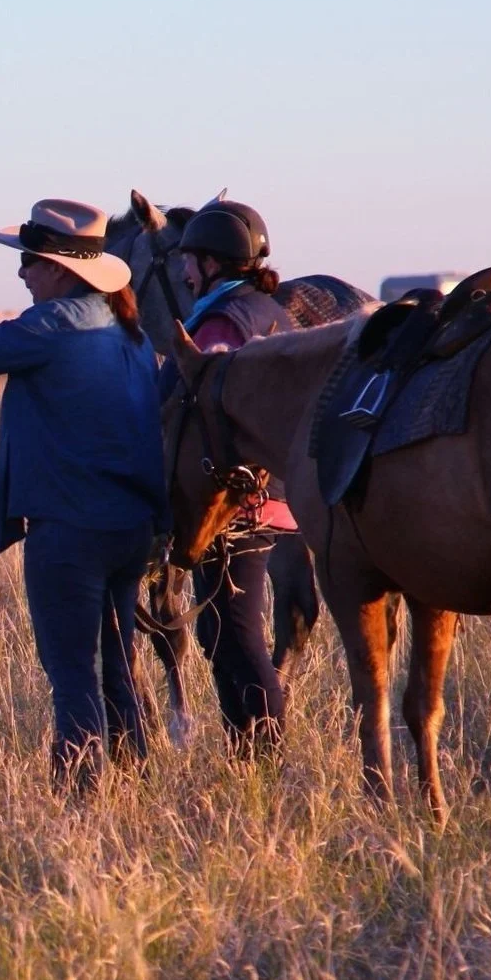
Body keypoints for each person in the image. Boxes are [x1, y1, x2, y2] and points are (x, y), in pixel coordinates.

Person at [0, 198, 166, 788]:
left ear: (59, 268)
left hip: (70, 531)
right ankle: (134, 781)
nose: (22, 272)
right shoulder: (129, 333)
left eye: (29, 260)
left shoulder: (53, 326)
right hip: (132, 528)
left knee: (71, 669)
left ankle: (80, 792)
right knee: (116, 663)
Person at [174, 199, 294, 754]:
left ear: (213, 263)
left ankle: (263, 753)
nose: (184, 272)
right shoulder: (274, 313)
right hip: (270, 499)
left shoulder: (221, 323)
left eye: (191, 260)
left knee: (232, 632)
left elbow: (210, 421)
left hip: (229, 506)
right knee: (224, 629)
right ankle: (247, 749)